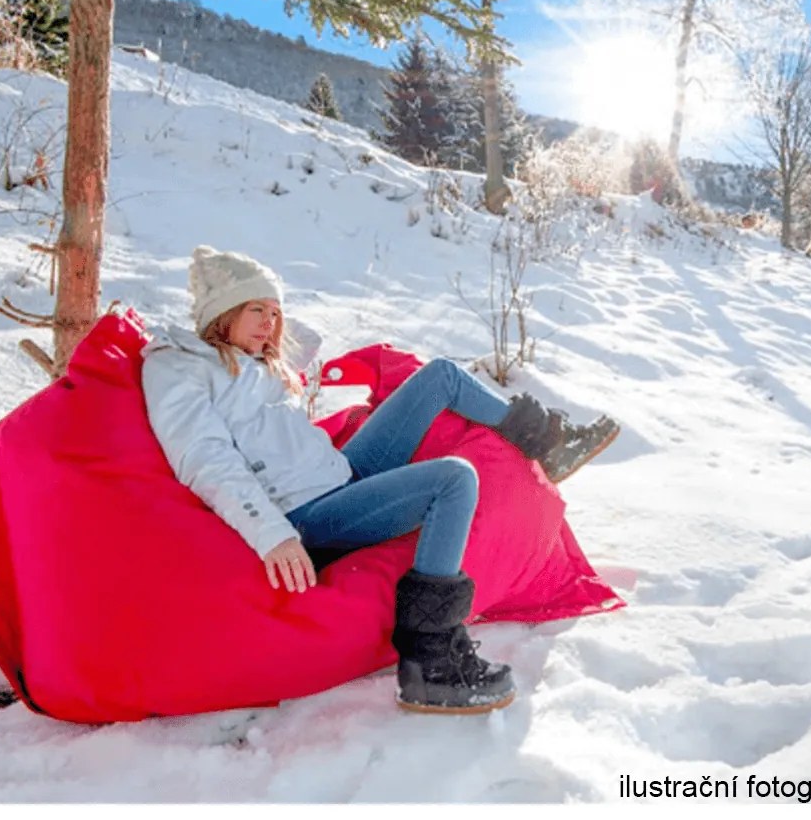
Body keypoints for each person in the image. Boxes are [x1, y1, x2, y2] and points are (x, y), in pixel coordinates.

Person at [141, 245, 620, 715]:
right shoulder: (178, 366)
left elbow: (300, 351)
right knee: (453, 479)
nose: (270, 323)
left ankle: (546, 444)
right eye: (256, 309)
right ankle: (429, 662)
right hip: (306, 515)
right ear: (222, 312)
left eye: (274, 311)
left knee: (441, 377)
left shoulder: (255, 362)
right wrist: (273, 535)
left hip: (340, 474)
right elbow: (204, 458)